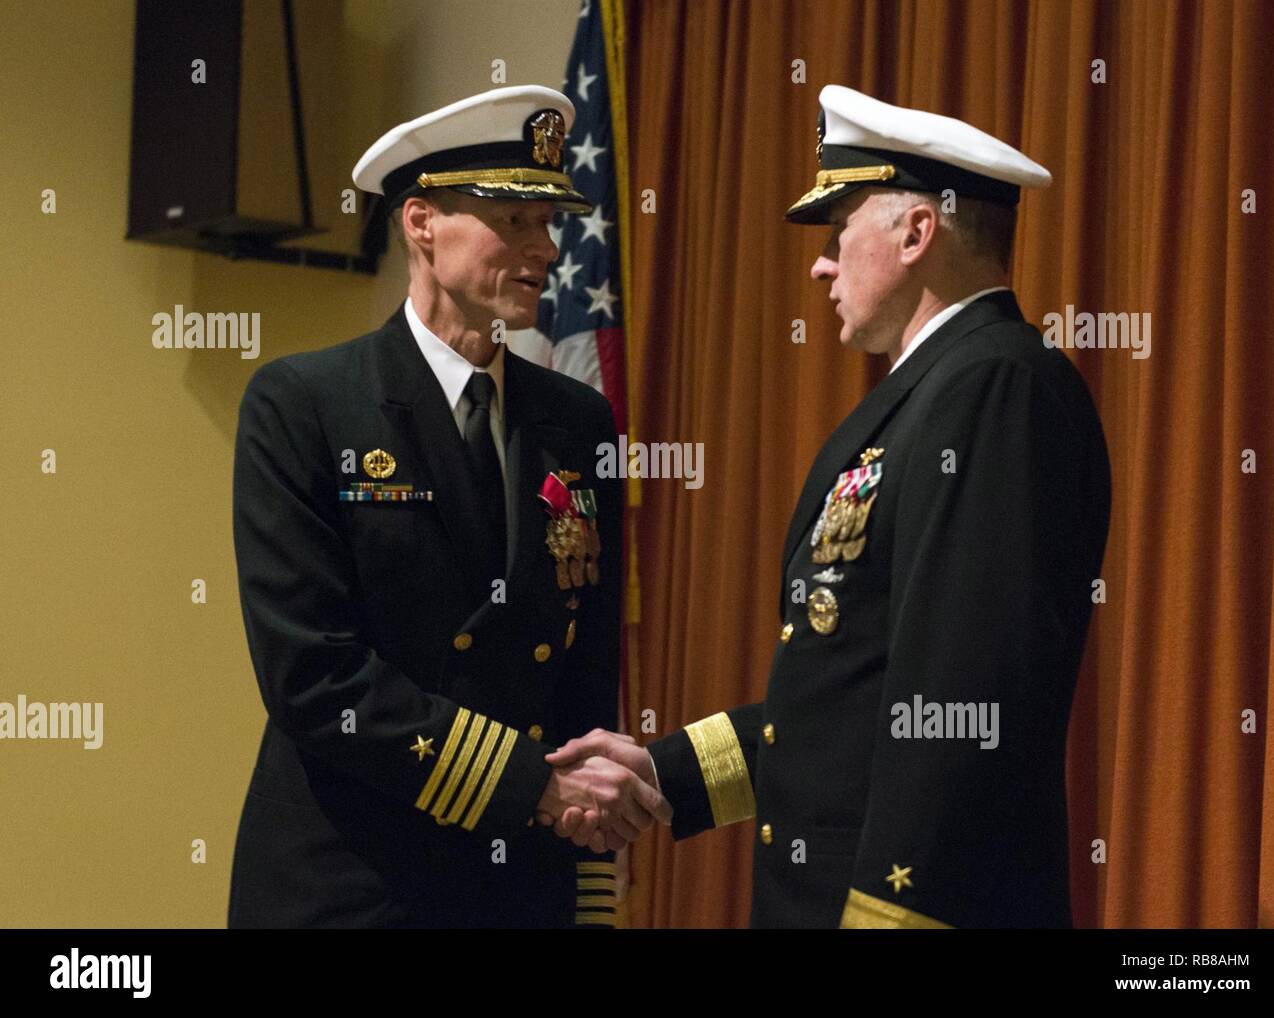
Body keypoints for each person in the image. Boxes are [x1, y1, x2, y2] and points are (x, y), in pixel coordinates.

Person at [543, 85, 1112, 929]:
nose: (821, 262)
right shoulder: (937, 392)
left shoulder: (995, 389)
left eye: (840, 228)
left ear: (918, 232)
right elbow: (846, 703)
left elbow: (961, 699)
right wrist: (666, 772)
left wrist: (889, 917)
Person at [228, 85, 668, 929]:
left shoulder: (578, 421)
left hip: (520, 889)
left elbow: (583, 669)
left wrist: (583, 878)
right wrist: (533, 784)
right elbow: (315, 678)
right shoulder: (304, 404)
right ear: (421, 223)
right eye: (515, 220)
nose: (544, 247)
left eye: (550, 223)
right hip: (353, 883)